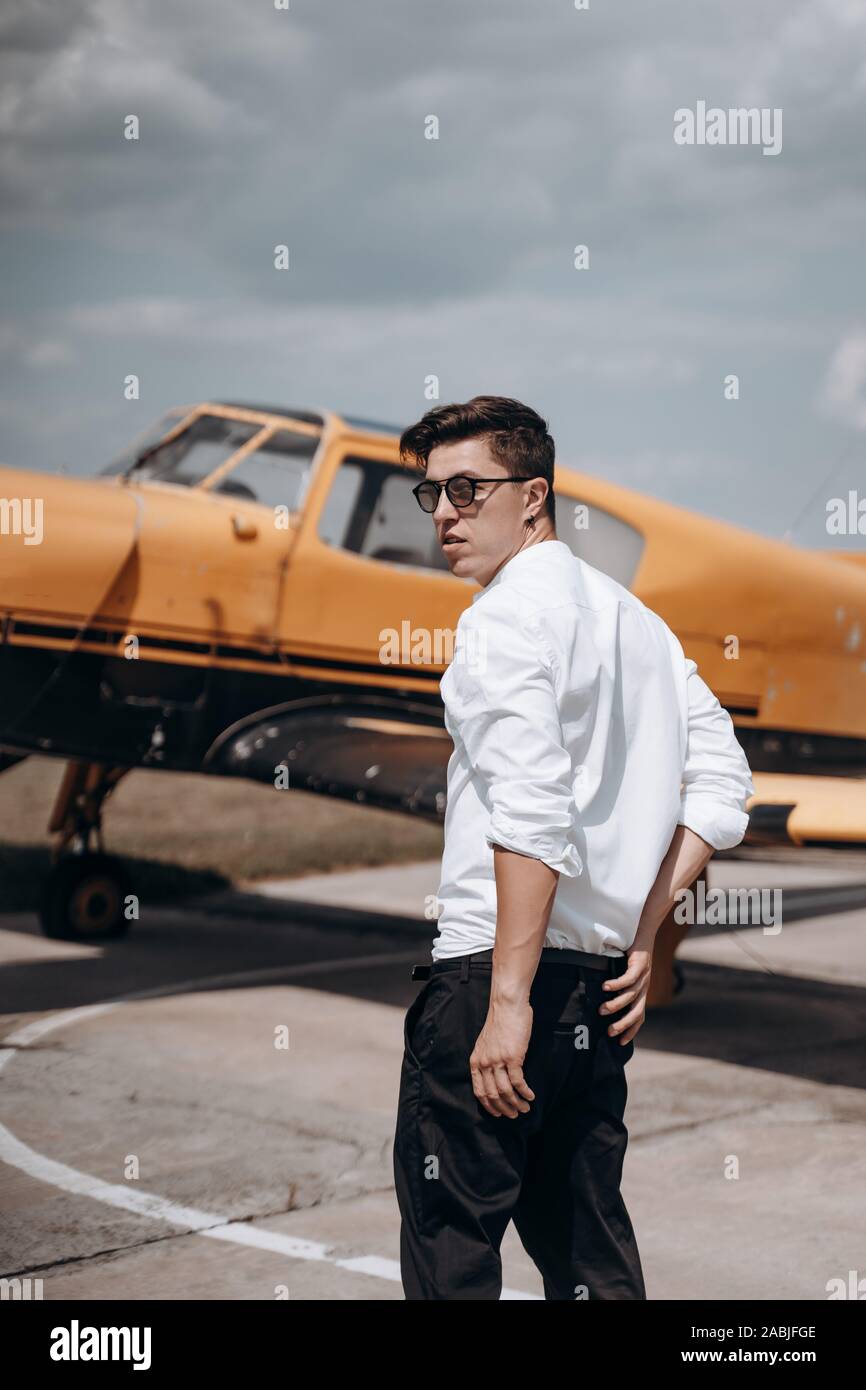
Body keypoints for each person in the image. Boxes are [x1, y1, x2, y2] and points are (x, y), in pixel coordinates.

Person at [392, 395, 755, 1300]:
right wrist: (640, 931)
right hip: (596, 999)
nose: (443, 514)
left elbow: (530, 810)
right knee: (593, 1260)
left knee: (454, 1253)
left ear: (535, 494)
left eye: (468, 490)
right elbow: (722, 787)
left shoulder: (503, 618)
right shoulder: (639, 623)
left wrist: (507, 1001)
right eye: (429, 494)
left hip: (494, 982)